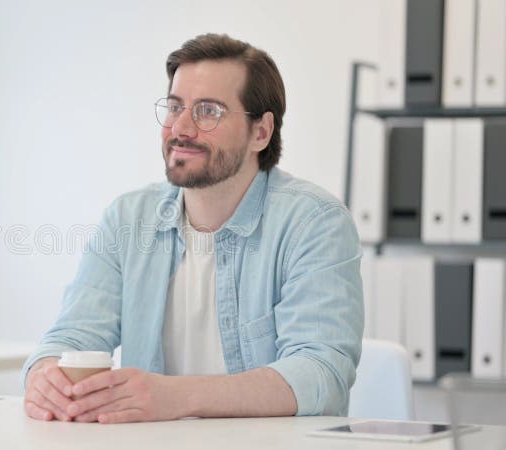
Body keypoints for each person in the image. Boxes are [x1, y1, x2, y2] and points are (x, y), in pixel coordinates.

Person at [21, 33, 363, 424]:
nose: (180, 129)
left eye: (208, 111)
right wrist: (44, 375)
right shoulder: (128, 218)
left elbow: (322, 374)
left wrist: (174, 397)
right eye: (174, 107)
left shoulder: (314, 222)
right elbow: (72, 337)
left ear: (261, 132)